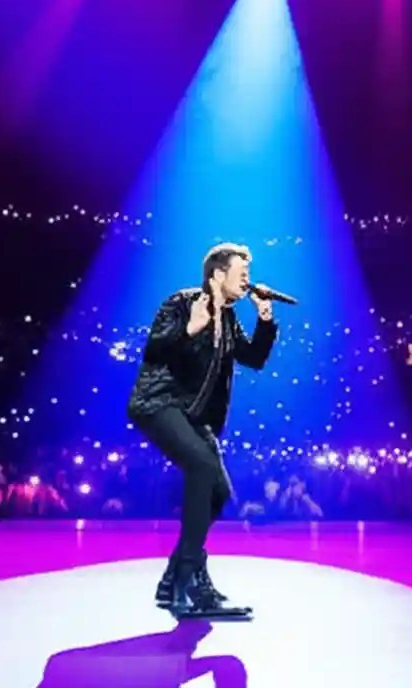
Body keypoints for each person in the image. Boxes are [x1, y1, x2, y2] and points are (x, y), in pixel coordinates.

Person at [127, 242, 278, 618]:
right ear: (217, 274)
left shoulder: (227, 317)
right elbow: (154, 350)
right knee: (201, 467)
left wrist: (265, 322)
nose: (247, 280)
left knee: (219, 490)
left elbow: (254, 359)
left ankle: (176, 575)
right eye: (241, 273)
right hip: (160, 403)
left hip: (196, 417)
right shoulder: (182, 302)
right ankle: (188, 582)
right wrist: (190, 328)